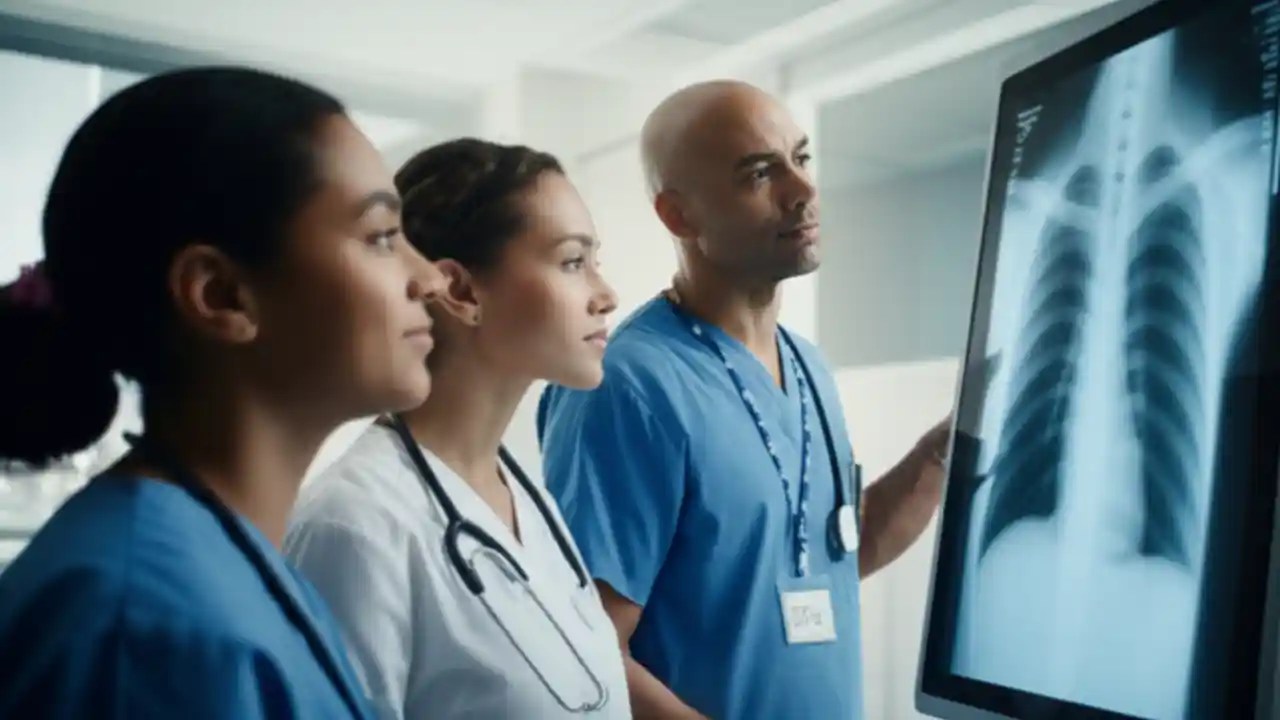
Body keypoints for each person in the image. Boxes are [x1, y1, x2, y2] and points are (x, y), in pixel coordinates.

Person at [0, 66, 445, 719]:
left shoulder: (225, 562)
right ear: (222, 295)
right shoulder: (146, 630)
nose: (430, 277)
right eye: (381, 237)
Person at [535, 80, 953, 720]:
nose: (803, 190)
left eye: (801, 159)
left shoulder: (807, 365)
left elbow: (834, 556)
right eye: (760, 173)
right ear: (680, 216)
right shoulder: (628, 384)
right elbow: (587, 652)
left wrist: (940, 452)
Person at [284, 138, 631, 720]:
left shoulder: (525, 495)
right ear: (463, 291)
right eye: (573, 262)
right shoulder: (353, 526)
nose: (605, 295)